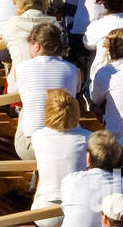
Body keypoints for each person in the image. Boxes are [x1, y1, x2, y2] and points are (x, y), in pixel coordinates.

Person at [9, 23, 78, 160]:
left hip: (30, 148)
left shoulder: (20, 67)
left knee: (25, 107)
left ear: (37, 46)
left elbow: (11, 91)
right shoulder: (74, 70)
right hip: (68, 145)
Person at [30, 89, 90, 227]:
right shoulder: (90, 138)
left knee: (42, 175)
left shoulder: (38, 136)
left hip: (45, 216)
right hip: (80, 213)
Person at [0, 0, 59, 85]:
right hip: (53, 86)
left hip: (18, 86)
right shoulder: (56, 25)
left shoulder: (10, 25)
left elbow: (2, 35)